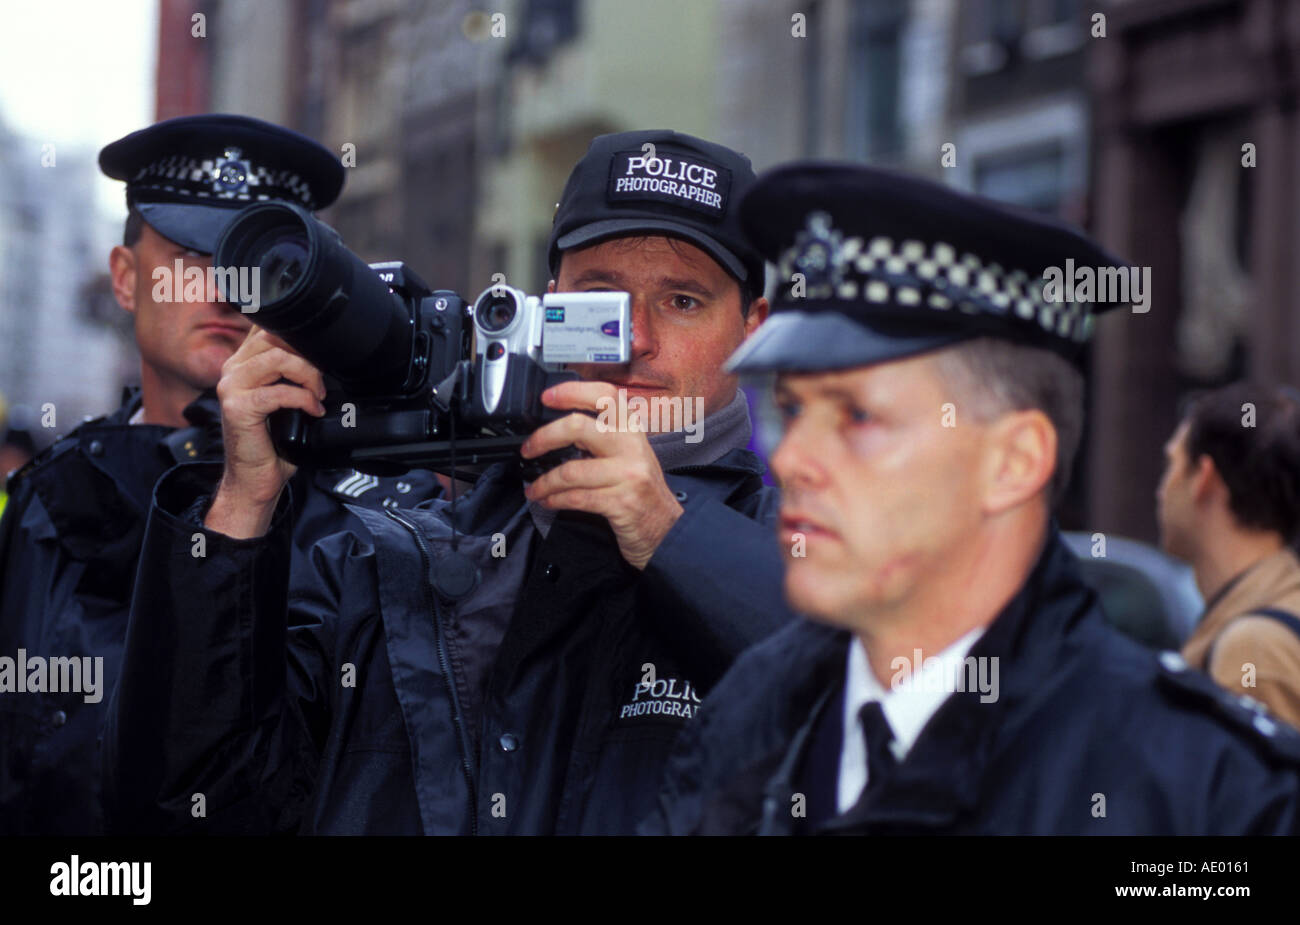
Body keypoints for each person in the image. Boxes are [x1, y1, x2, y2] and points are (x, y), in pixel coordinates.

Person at [103, 129, 793, 835]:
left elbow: (872, 727)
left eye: (682, 301)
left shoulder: (819, 552)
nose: (636, 338)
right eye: (600, 299)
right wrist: (239, 510)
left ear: (753, 330)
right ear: (546, 307)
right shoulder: (390, 559)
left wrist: (669, 537)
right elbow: (186, 809)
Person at [643, 162, 1300, 836]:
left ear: (1015, 462)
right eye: (793, 408)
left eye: (857, 417)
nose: (792, 457)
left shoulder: (1207, 792)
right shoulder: (751, 718)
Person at [0, 114, 437, 835]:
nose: (230, 288)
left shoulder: (375, 512)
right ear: (124, 277)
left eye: (260, 256)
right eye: (191, 257)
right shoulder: (48, 498)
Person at [1159, 382, 1300, 727]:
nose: (1161, 491)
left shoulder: (1252, 650)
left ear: (1203, 478)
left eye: (1173, 463)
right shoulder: (1268, 611)